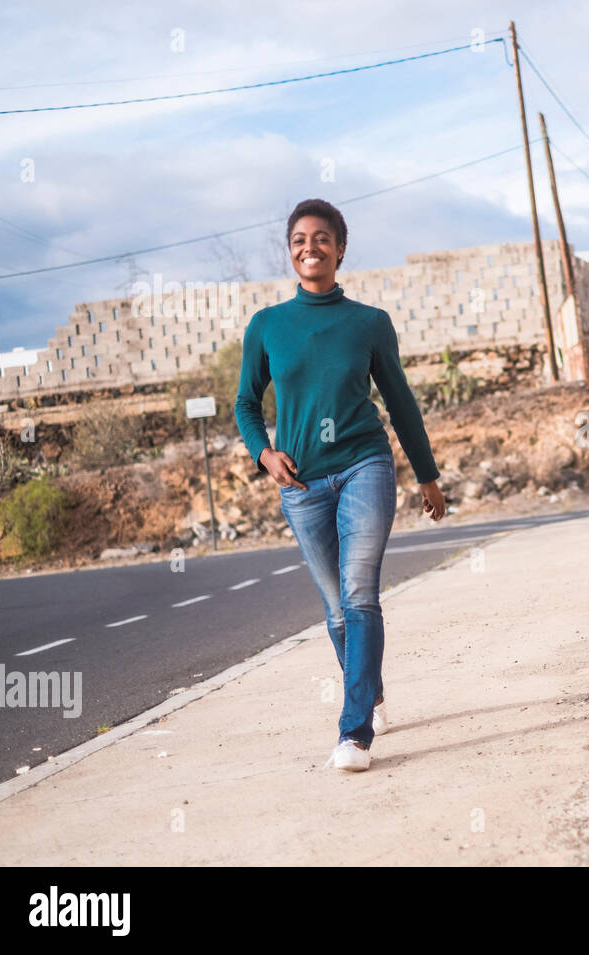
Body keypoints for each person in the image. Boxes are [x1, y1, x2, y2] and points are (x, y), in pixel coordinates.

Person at [233, 198, 446, 773]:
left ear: (340, 248)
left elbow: (400, 403)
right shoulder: (267, 326)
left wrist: (426, 475)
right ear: (291, 250)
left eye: (322, 238)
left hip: (363, 465)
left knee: (358, 593)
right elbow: (246, 403)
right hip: (301, 484)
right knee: (334, 609)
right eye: (300, 239)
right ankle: (370, 693)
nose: (311, 247)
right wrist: (263, 453)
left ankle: (354, 734)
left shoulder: (369, 323)